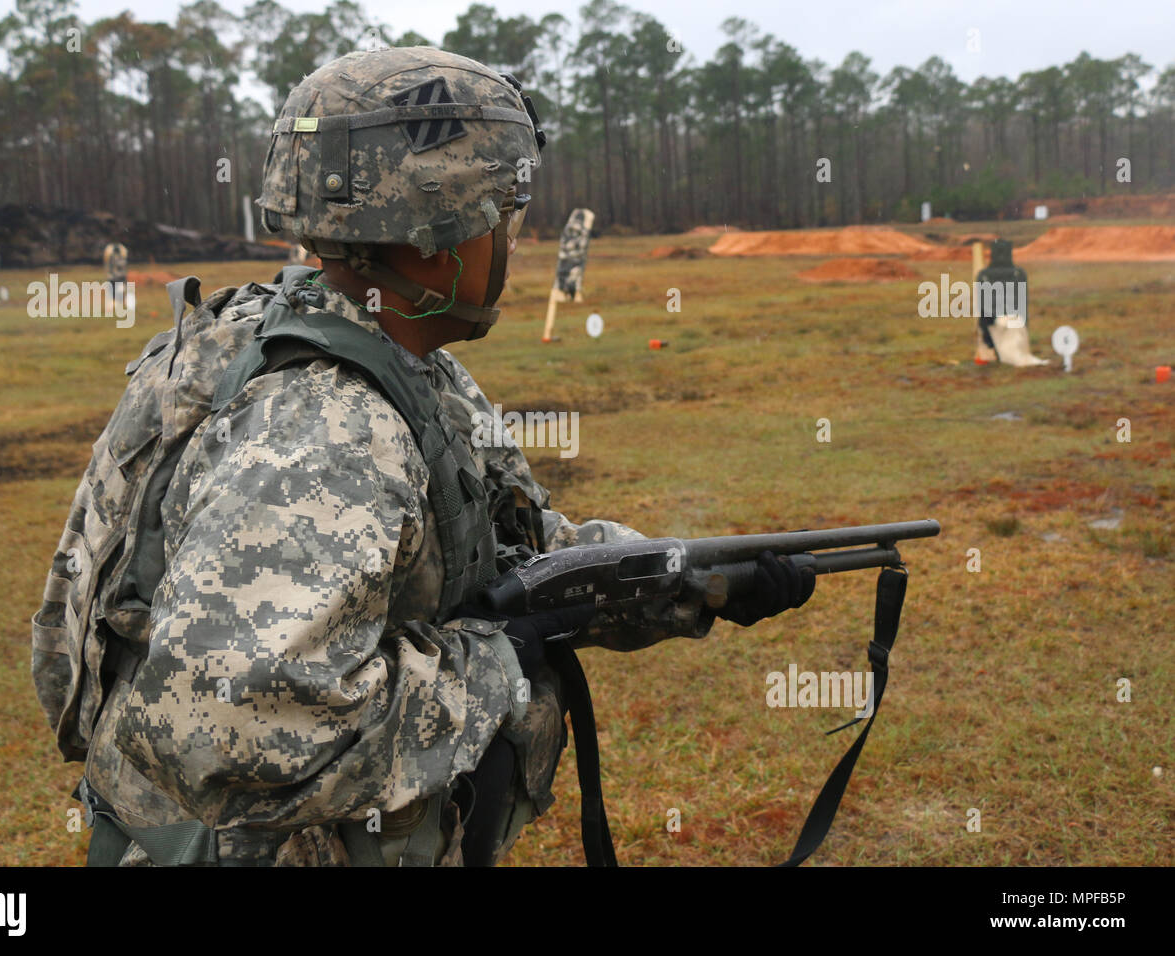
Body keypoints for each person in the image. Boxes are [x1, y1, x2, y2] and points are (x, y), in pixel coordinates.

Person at [53, 46, 814, 867]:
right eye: (503, 210)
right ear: (437, 227)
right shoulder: (323, 422)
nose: (514, 240)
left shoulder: (381, 354)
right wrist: (498, 664)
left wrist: (684, 578)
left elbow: (515, 550)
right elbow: (235, 727)